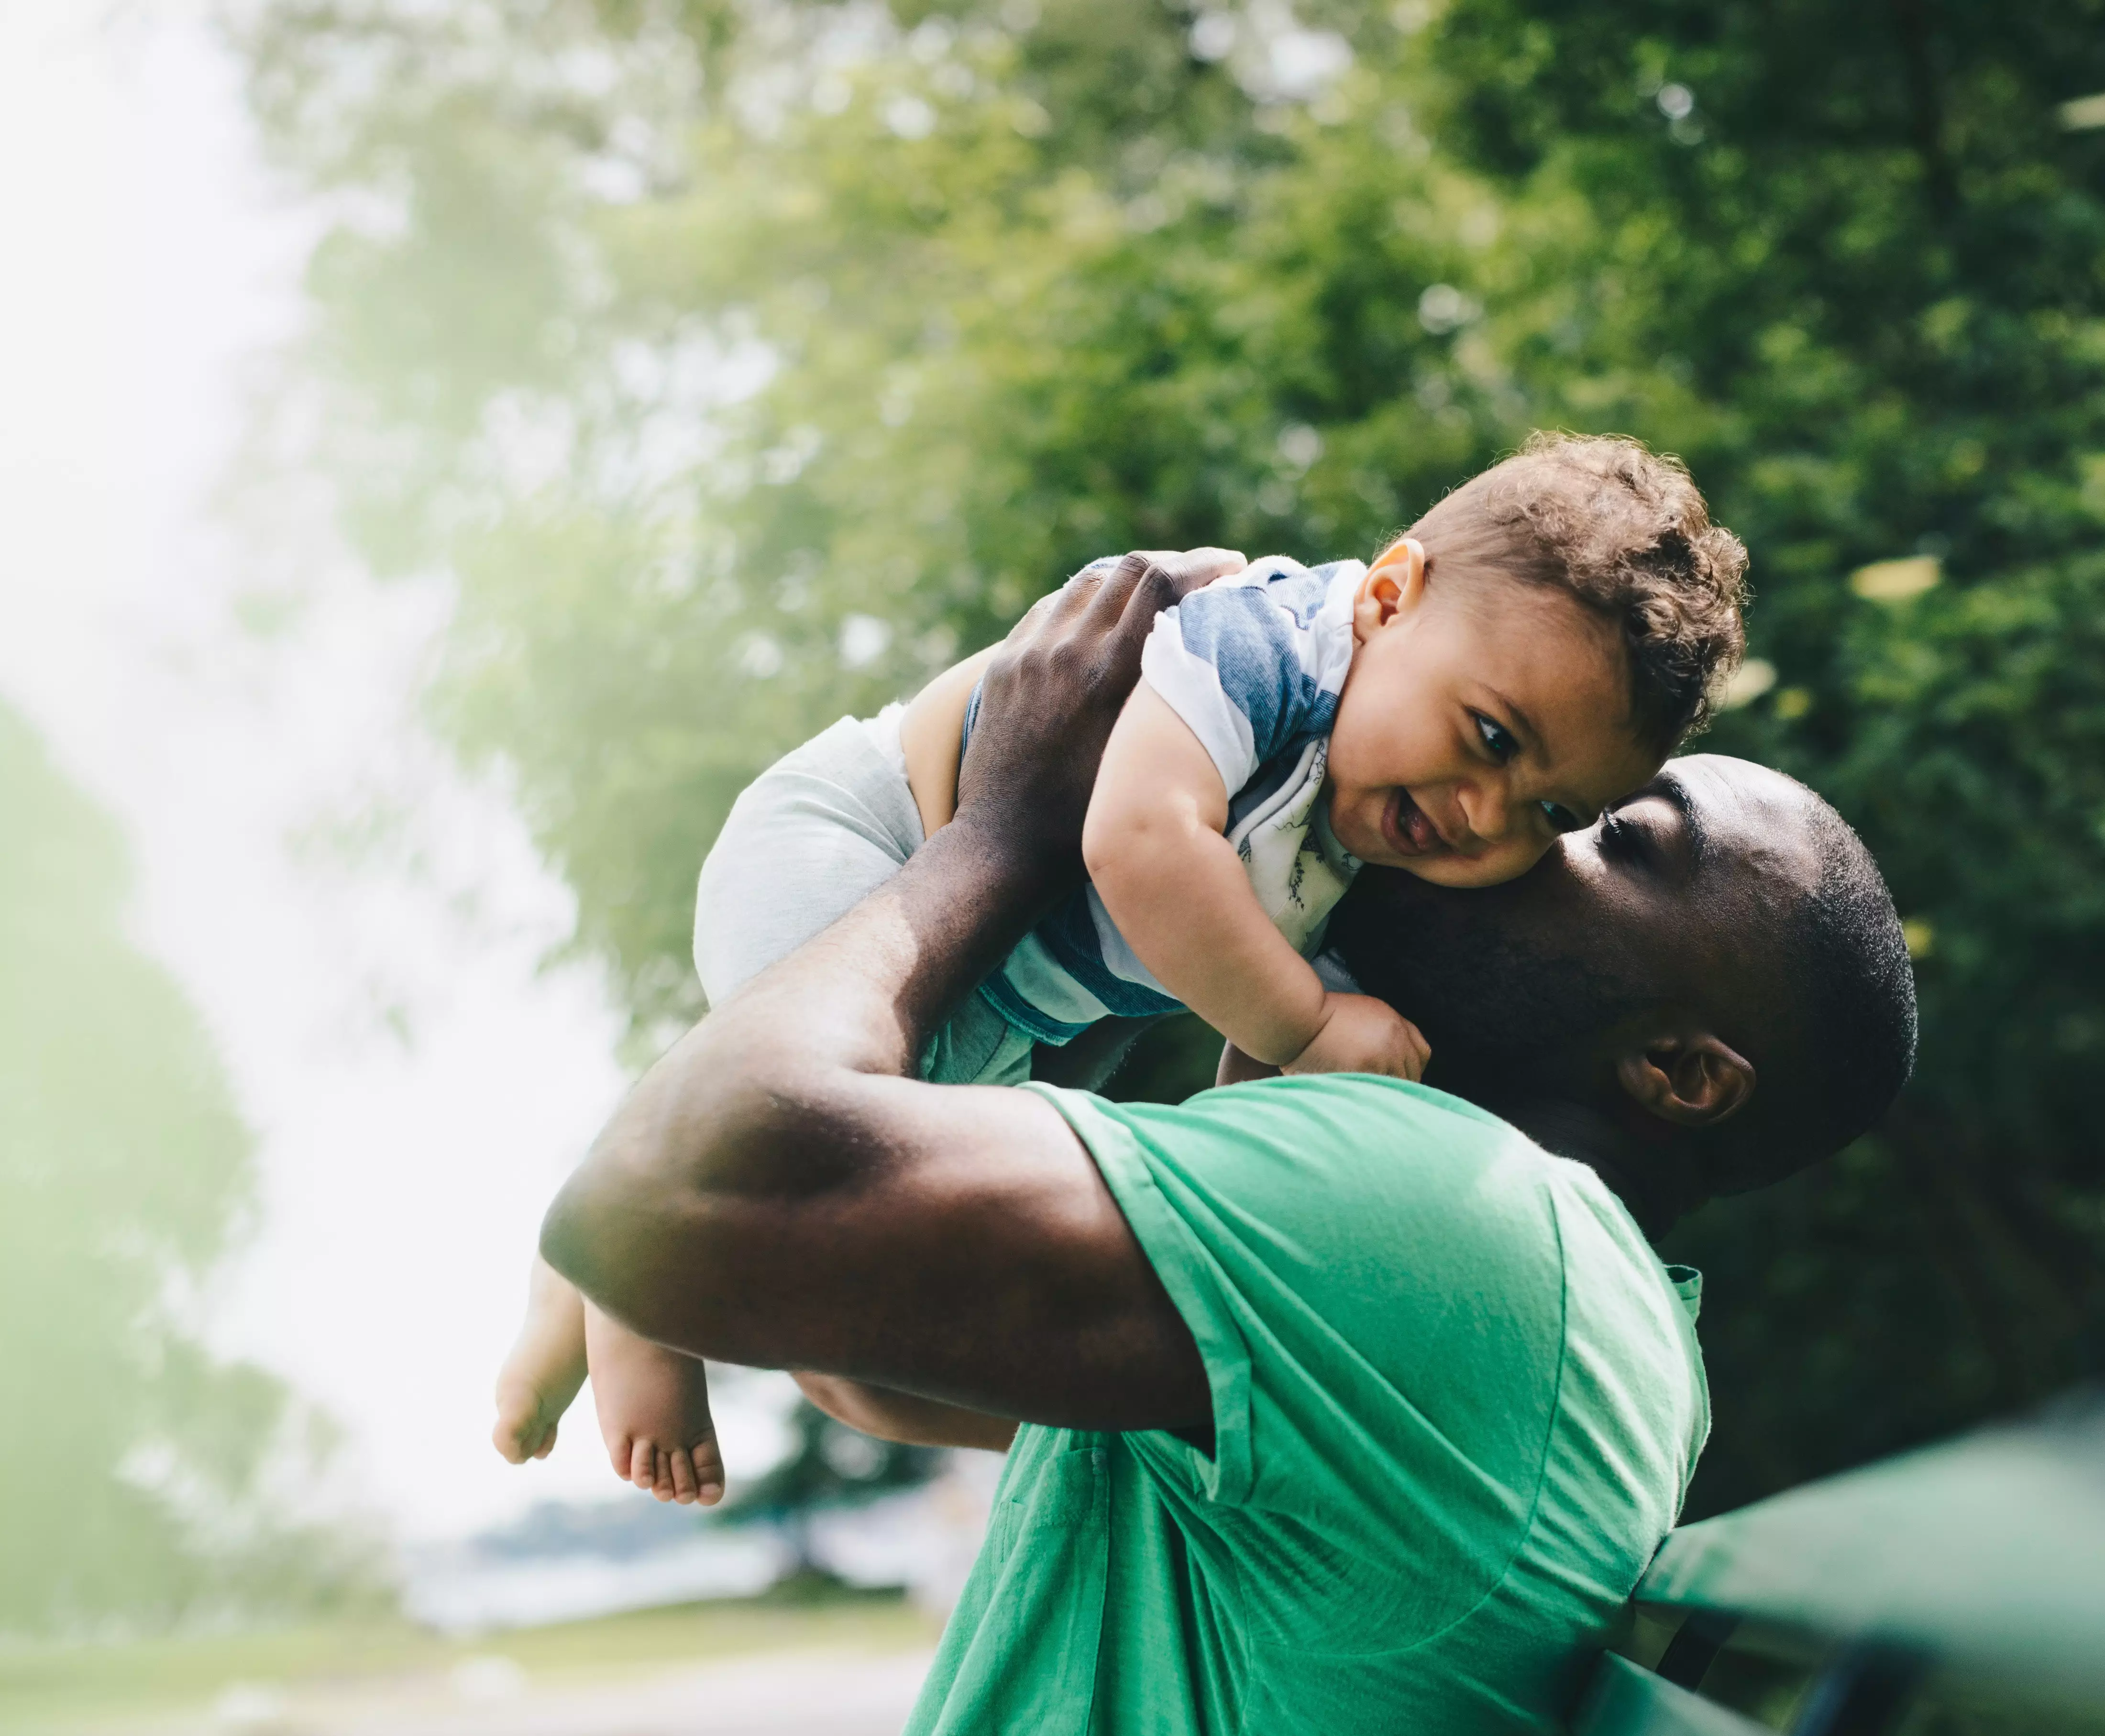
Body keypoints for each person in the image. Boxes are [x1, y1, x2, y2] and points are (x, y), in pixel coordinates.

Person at [536, 550, 1917, 1736]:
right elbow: (864, 1358)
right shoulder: (1544, 1293)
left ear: (1680, 1071)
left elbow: (668, 1203)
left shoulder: (1447, 1220)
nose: (1517, 829)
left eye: (1606, 831)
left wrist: (1006, 829)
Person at [492, 434, 1751, 1505]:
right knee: (773, 1127)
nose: (1485, 811)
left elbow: (1252, 1042)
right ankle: (641, 1313)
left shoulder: (1380, 831)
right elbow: (1137, 840)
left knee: (896, 1195)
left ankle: (582, 1246)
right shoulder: (1269, 648)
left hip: (990, 984)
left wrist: (1263, 1127)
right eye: (1489, 736)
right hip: (868, 844)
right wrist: (1312, 1024)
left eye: (1544, 811)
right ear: (1387, 596)